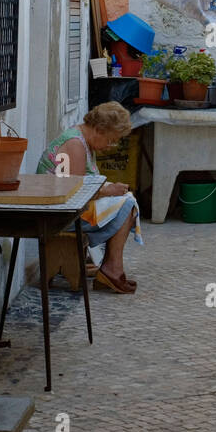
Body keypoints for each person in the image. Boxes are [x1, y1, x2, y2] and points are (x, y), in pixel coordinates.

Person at [36, 102, 142, 293]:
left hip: (63, 210)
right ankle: (111, 269)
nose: (110, 146)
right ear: (99, 130)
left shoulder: (83, 141)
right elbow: (76, 193)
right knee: (127, 204)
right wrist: (109, 191)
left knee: (127, 200)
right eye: (110, 140)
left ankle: (110, 268)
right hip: (58, 216)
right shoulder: (76, 145)